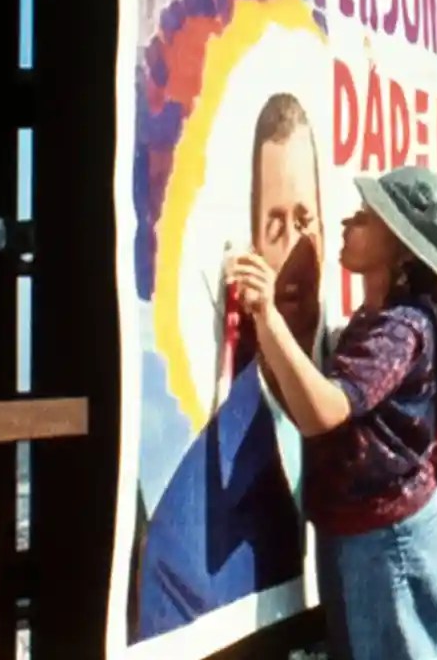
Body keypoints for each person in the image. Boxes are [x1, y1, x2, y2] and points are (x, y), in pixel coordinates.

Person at [229, 165, 437, 659]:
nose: (346, 225)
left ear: (399, 246)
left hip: (385, 545)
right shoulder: (380, 319)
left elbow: (323, 412)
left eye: (365, 218)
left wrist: (267, 315)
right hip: (373, 535)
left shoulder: (398, 330)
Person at [135, 92, 323, 640]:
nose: (295, 249)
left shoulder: (358, 370)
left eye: (305, 220)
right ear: (243, 253)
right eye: (274, 226)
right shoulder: (185, 531)